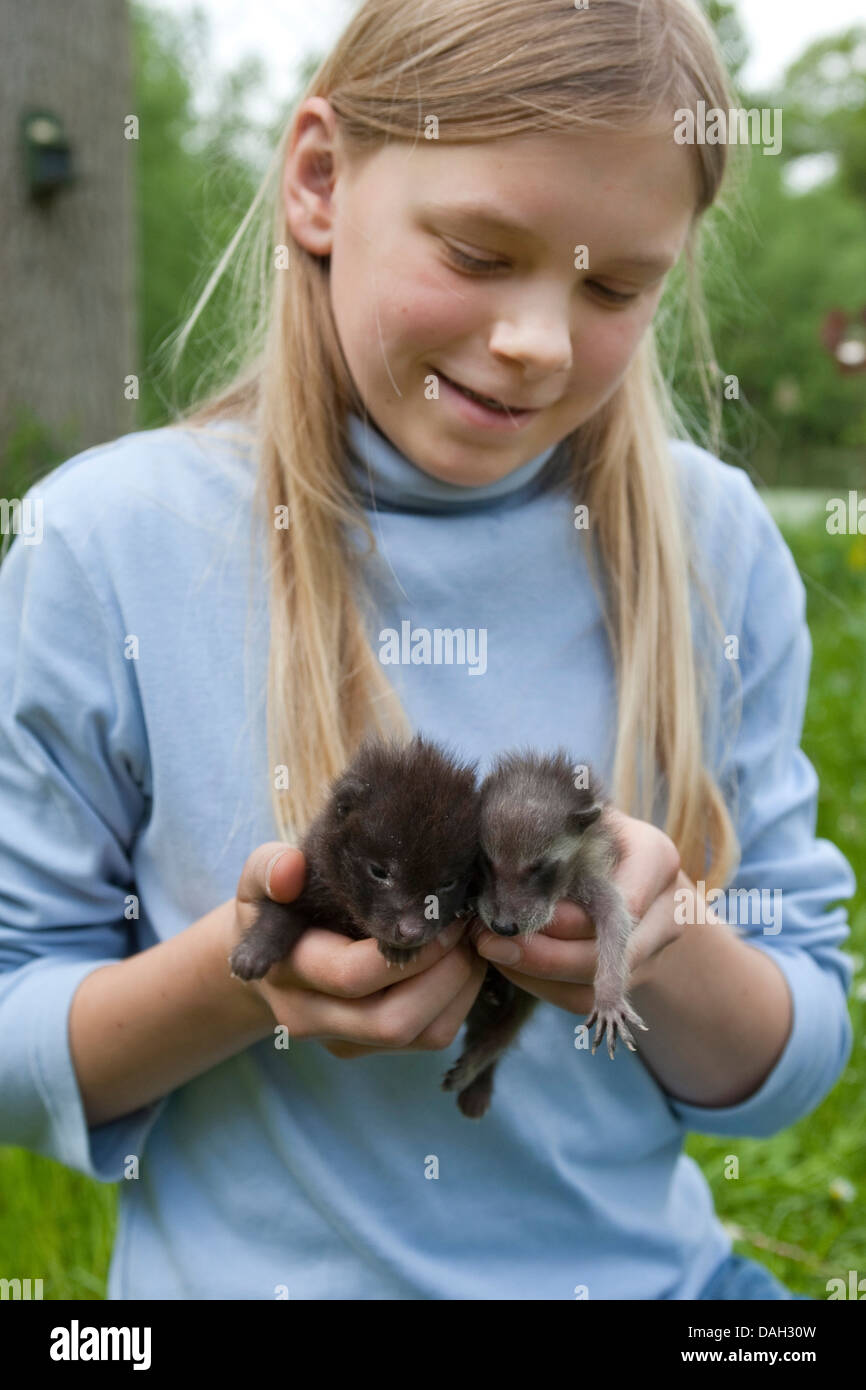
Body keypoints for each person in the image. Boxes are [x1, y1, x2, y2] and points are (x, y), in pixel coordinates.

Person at [0, 0, 854, 1301]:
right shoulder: (105, 541)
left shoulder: (712, 542)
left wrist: (658, 941)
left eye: (614, 285)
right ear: (319, 182)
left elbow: (794, 1053)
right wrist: (253, 977)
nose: (539, 340)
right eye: (476, 250)